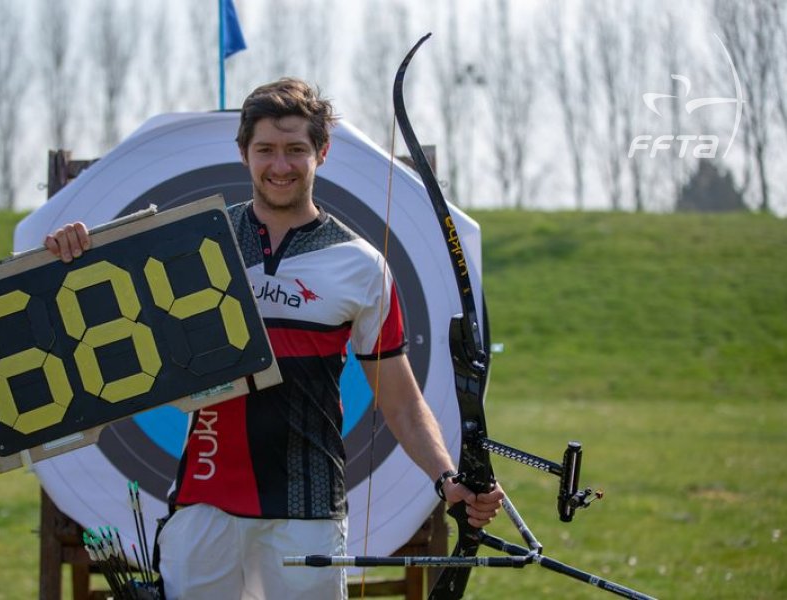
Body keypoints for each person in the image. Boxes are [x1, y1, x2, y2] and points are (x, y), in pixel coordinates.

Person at [45, 78, 505, 600]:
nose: (280, 165)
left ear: (321, 153)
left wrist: (446, 478)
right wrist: (67, 255)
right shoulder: (197, 244)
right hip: (203, 505)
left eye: (295, 149)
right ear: (243, 152)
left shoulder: (360, 265)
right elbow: (98, 315)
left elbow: (400, 401)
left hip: (308, 510)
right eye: (265, 149)